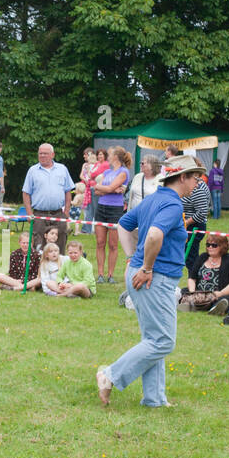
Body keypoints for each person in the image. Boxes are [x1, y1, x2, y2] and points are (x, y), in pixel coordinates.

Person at [96, 156, 203, 408]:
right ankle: (109, 375)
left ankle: (154, 399)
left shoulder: (154, 199)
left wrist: (131, 257)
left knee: (154, 339)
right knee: (163, 341)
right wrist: (145, 266)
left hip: (144, 275)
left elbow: (123, 224)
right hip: (153, 278)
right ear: (182, 177)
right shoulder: (173, 205)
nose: (197, 183)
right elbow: (155, 234)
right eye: (195, 177)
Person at [22, 143, 74, 253]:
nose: (42, 156)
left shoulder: (62, 169)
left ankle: (59, 270)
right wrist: (29, 213)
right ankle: (40, 270)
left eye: (45, 153)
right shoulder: (32, 170)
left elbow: (68, 192)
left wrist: (67, 212)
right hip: (39, 215)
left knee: (60, 247)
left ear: (52, 155)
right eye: (40, 153)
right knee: (39, 247)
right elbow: (26, 193)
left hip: (59, 214)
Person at [180, 233, 229, 314]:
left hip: (221, 294)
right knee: (184, 291)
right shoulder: (203, 257)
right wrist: (193, 293)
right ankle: (194, 304)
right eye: (208, 245)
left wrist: (221, 293)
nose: (210, 247)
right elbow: (192, 278)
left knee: (226, 300)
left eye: (214, 245)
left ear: (222, 246)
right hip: (201, 294)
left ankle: (215, 308)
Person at [93, 148, 130, 283]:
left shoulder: (124, 172)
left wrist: (104, 188)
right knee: (100, 242)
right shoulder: (107, 172)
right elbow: (97, 191)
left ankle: (110, 275)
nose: (107, 157)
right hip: (101, 208)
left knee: (113, 244)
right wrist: (111, 189)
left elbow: (103, 188)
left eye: (109, 155)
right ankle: (101, 274)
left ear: (115, 157)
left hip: (115, 209)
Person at [182, 170, 210, 266]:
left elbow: (202, 212)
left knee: (191, 260)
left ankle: (196, 279)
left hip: (193, 226)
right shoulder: (185, 186)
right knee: (189, 258)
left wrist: (186, 222)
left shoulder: (197, 188)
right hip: (187, 226)